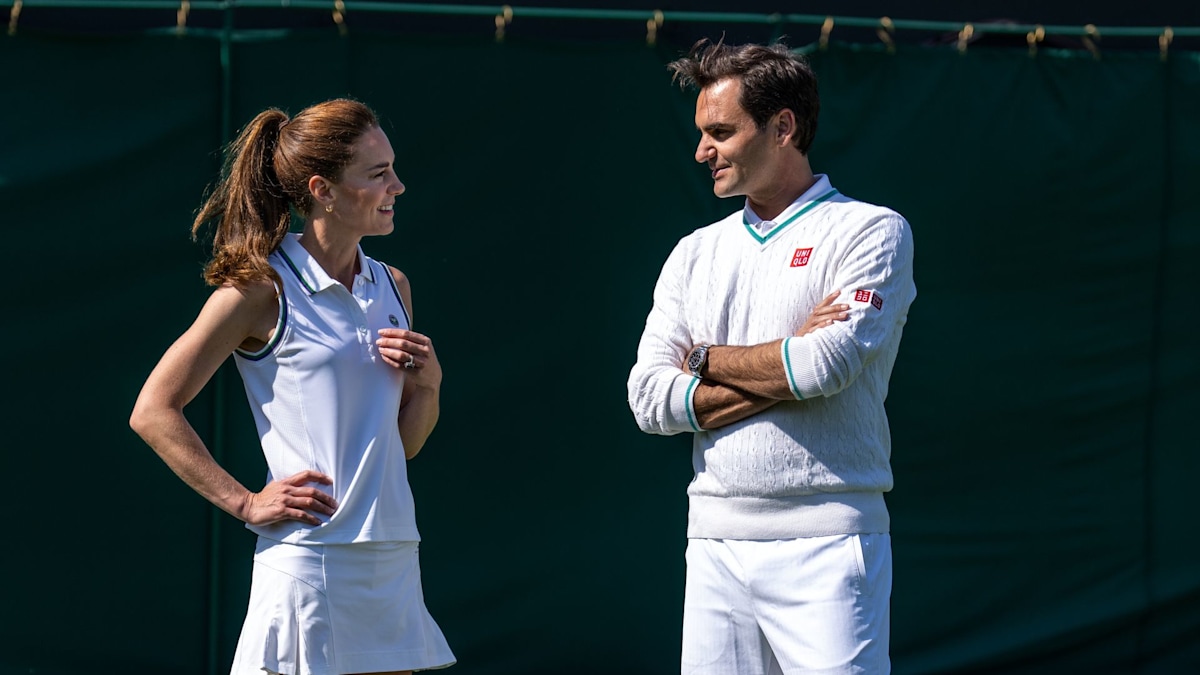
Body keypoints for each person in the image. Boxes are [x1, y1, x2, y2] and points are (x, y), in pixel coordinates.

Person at [130, 98, 455, 675]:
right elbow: (154, 410)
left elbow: (401, 446)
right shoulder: (259, 292)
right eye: (378, 174)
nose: (397, 186)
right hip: (309, 564)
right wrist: (246, 503)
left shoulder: (394, 286)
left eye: (394, 169)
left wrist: (428, 387)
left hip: (393, 555)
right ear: (322, 189)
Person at [626, 39, 916, 675]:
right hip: (713, 543)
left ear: (783, 126)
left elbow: (825, 368)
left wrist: (700, 361)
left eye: (721, 132)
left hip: (831, 542)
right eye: (702, 133)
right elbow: (648, 400)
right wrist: (779, 364)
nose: (702, 151)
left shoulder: (873, 231)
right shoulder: (693, 252)